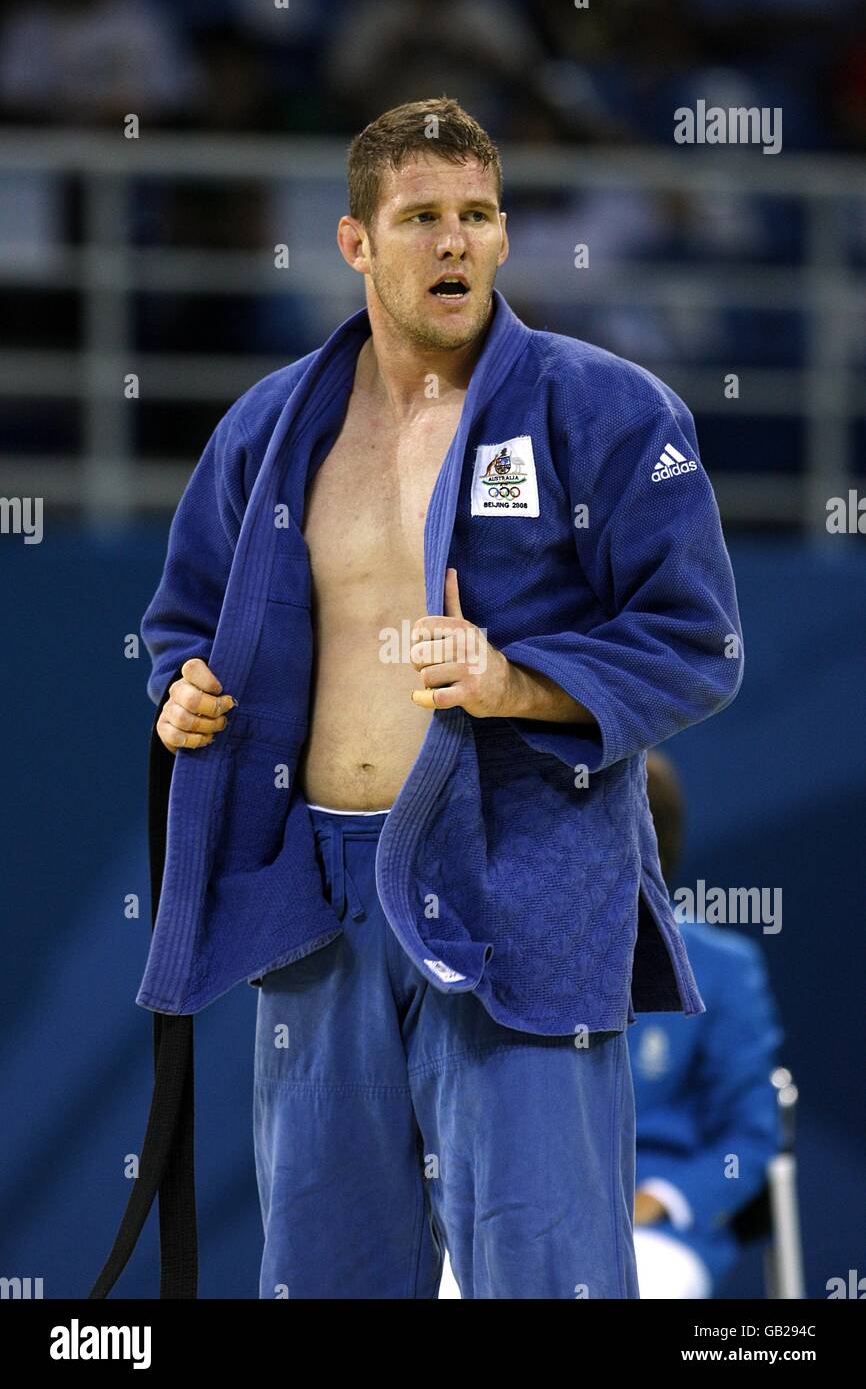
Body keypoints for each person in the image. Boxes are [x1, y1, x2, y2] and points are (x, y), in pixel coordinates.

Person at [92, 97, 743, 1300]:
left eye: (477, 216)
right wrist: (177, 689)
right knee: (326, 1274)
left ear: (503, 237)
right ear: (355, 243)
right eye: (421, 218)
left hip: (524, 878)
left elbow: (694, 640)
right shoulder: (271, 429)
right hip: (322, 901)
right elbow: (185, 618)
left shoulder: (605, 411)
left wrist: (518, 683)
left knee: (539, 1270)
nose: (453, 243)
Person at [630, 752, 783, 1298]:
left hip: (654, 1237)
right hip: (518, 1223)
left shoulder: (721, 969)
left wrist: (657, 1199)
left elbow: (751, 1135)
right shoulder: (512, 964)